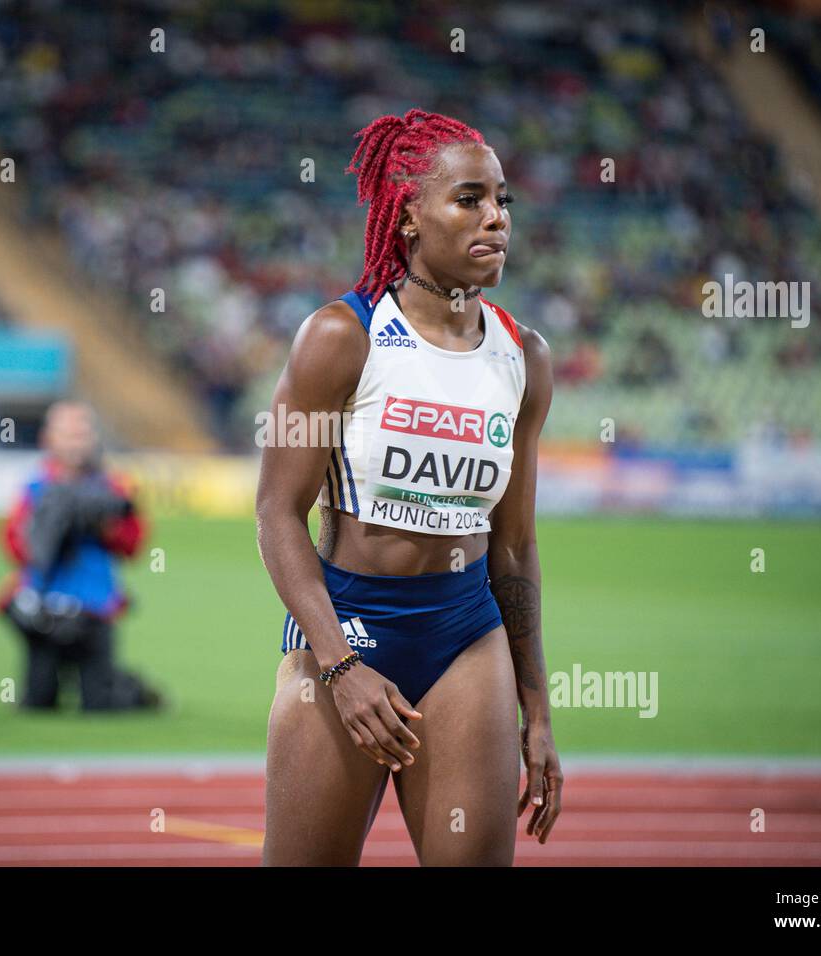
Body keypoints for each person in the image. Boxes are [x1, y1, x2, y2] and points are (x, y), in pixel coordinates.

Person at [257, 109, 561, 865]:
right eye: (469, 199)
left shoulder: (525, 357)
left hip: (466, 634)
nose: (496, 217)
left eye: (503, 201)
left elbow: (514, 546)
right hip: (349, 629)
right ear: (408, 216)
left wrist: (538, 708)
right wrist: (340, 666)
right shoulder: (341, 338)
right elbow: (276, 513)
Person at [0, 400, 163, 711]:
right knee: (38, 702)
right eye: (68, 433)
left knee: (100, 703)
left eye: (82, 433)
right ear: (48, 439)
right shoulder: (36, 486)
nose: (76, 443)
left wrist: (102, 526)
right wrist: (50, 529)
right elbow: (13, 544)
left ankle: (135, 691)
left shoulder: (111, 487)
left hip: (95, 610)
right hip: (43, 610)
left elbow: (134, 544)